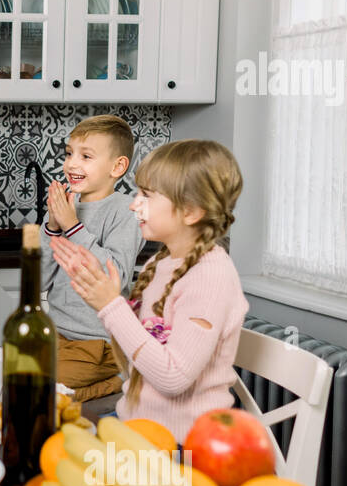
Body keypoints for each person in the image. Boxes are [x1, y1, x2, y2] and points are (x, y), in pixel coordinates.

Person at [50, 140, 247, 443]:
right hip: (135, 425)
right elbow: (135, 361)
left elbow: (173, 378)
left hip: (181, 445)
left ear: (191, 211)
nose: (133, 204)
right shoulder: (163, 261)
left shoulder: (211, 277)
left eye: (146, 195)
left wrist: (111, 307)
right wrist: (109, 301)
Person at [39, 115, 143, 402]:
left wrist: (72, 227)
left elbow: (115, 276)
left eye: (86, 156)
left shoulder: (126, 211)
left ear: (117, 167)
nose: (72, 164)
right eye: (69, 153)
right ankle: (112, 380)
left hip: (99, 343)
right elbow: (39, 279)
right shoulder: (68, 209)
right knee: (10, 373)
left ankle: (117, 376)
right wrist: (53, 227)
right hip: (57, 335)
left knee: (41, 387)